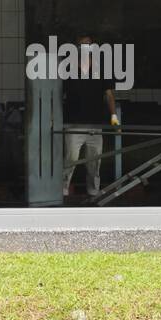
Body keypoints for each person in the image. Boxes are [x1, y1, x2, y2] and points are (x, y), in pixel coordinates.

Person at [61, 34, 117, 201]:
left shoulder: (100, 70)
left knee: (95, 161)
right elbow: (58, 95)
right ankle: (62, 188)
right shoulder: (69, 70)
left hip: (95, 124)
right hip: (74, 124)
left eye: (88, 46)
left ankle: (93, 190)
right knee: (70, 158)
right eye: (82, 46)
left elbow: (109, 95)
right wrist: (53, 116)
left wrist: (113, 114)